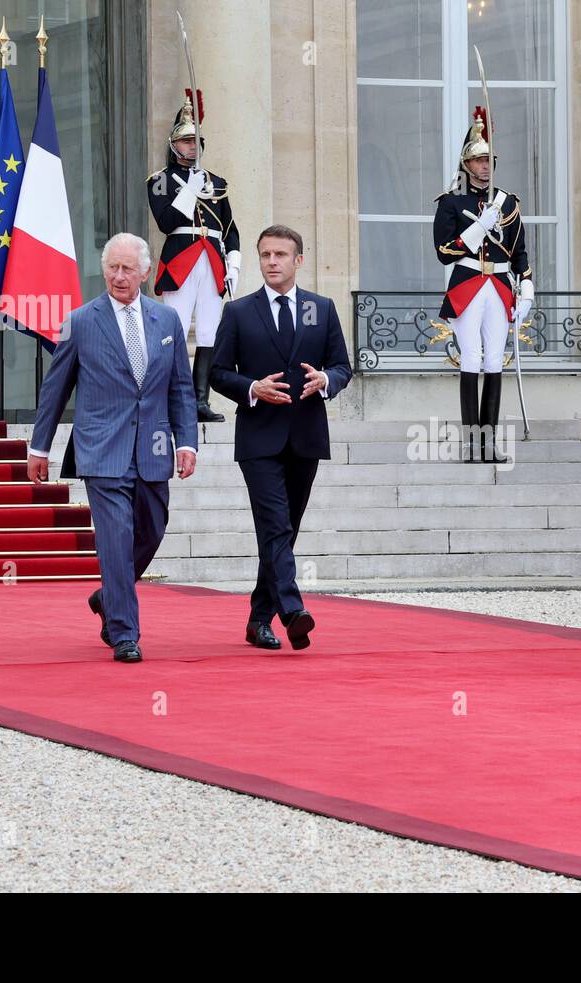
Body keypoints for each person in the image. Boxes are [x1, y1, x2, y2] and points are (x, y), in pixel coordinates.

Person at [27, 233, 198, 664]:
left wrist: (187, 441)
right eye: (112, 268)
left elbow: (181, 387)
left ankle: (109, 594)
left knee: (152, 529)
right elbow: (55, 390)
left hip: (154, 447)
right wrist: (39, 447)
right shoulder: (81, 321)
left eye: (127, 269)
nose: (119, 276)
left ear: (145, 272)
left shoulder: (167, 321)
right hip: (101, 449)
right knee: (116, 539)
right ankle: (124, 632)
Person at [210, 225, 351, 651]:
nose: (272, 262)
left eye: (280, 255)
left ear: (298, 260)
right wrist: (252, 388)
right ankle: (292, 610)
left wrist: (327, 380)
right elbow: (217, 372)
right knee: (275, 524)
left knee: (283, 534)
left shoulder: (322, 309)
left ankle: (257, 620)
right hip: (257, 439)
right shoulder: (238, 312)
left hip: (306, 436)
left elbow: (343, 366)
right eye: (265, 255)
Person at [432, 106, 533, 463]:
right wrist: (478, 227)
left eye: (490, 159)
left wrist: (528, 290)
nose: (486, 166)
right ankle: (471, 444)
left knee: (494, 360)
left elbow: (520, 251)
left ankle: (489, 444)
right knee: (470, 358)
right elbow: (444, 252)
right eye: (478, 160)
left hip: (500, 285)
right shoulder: (451, 203)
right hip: (468, 282)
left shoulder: (508, 203)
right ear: (466, 164)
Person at [147, 89, 240, 422]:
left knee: (209, 332)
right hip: (182, 258)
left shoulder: (217, 182)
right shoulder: (160, 181)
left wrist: (234, 263)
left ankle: (199, 401)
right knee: (175, 328)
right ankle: (173, 400)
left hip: (212, 259)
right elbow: (166, 222)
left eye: (195, 141)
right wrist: (188, 190)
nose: (192, 146)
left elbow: (229, 228)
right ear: (174, 145)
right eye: (185, 141)